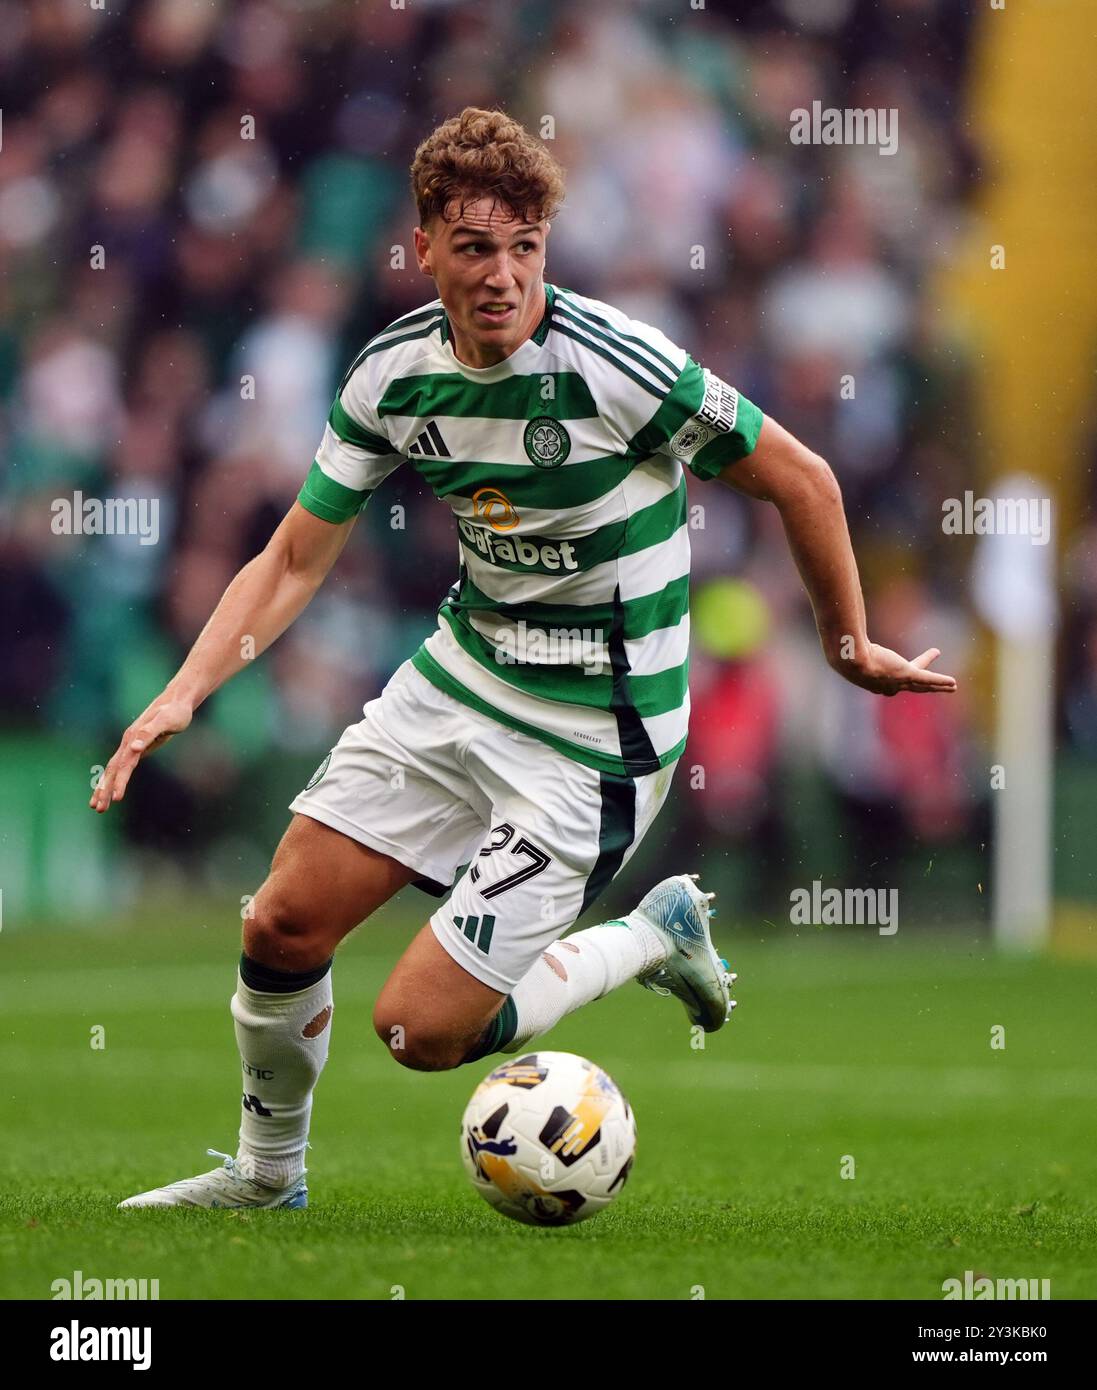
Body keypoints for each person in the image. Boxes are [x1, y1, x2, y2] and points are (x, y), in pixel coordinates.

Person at [91, 108, 955, 1210]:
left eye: (523, 247)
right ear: (423, 251)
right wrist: (182, 691)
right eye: (473, 247)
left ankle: (647, 936)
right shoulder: (391, 375)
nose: (501, 275)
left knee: (417, 1029)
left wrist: (845, 644)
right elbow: (295, 555)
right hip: (463, 675)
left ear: (545, 244)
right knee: (278, 922)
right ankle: (267, 1179)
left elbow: (803, 478)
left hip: (597, 731)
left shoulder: (616, 366)